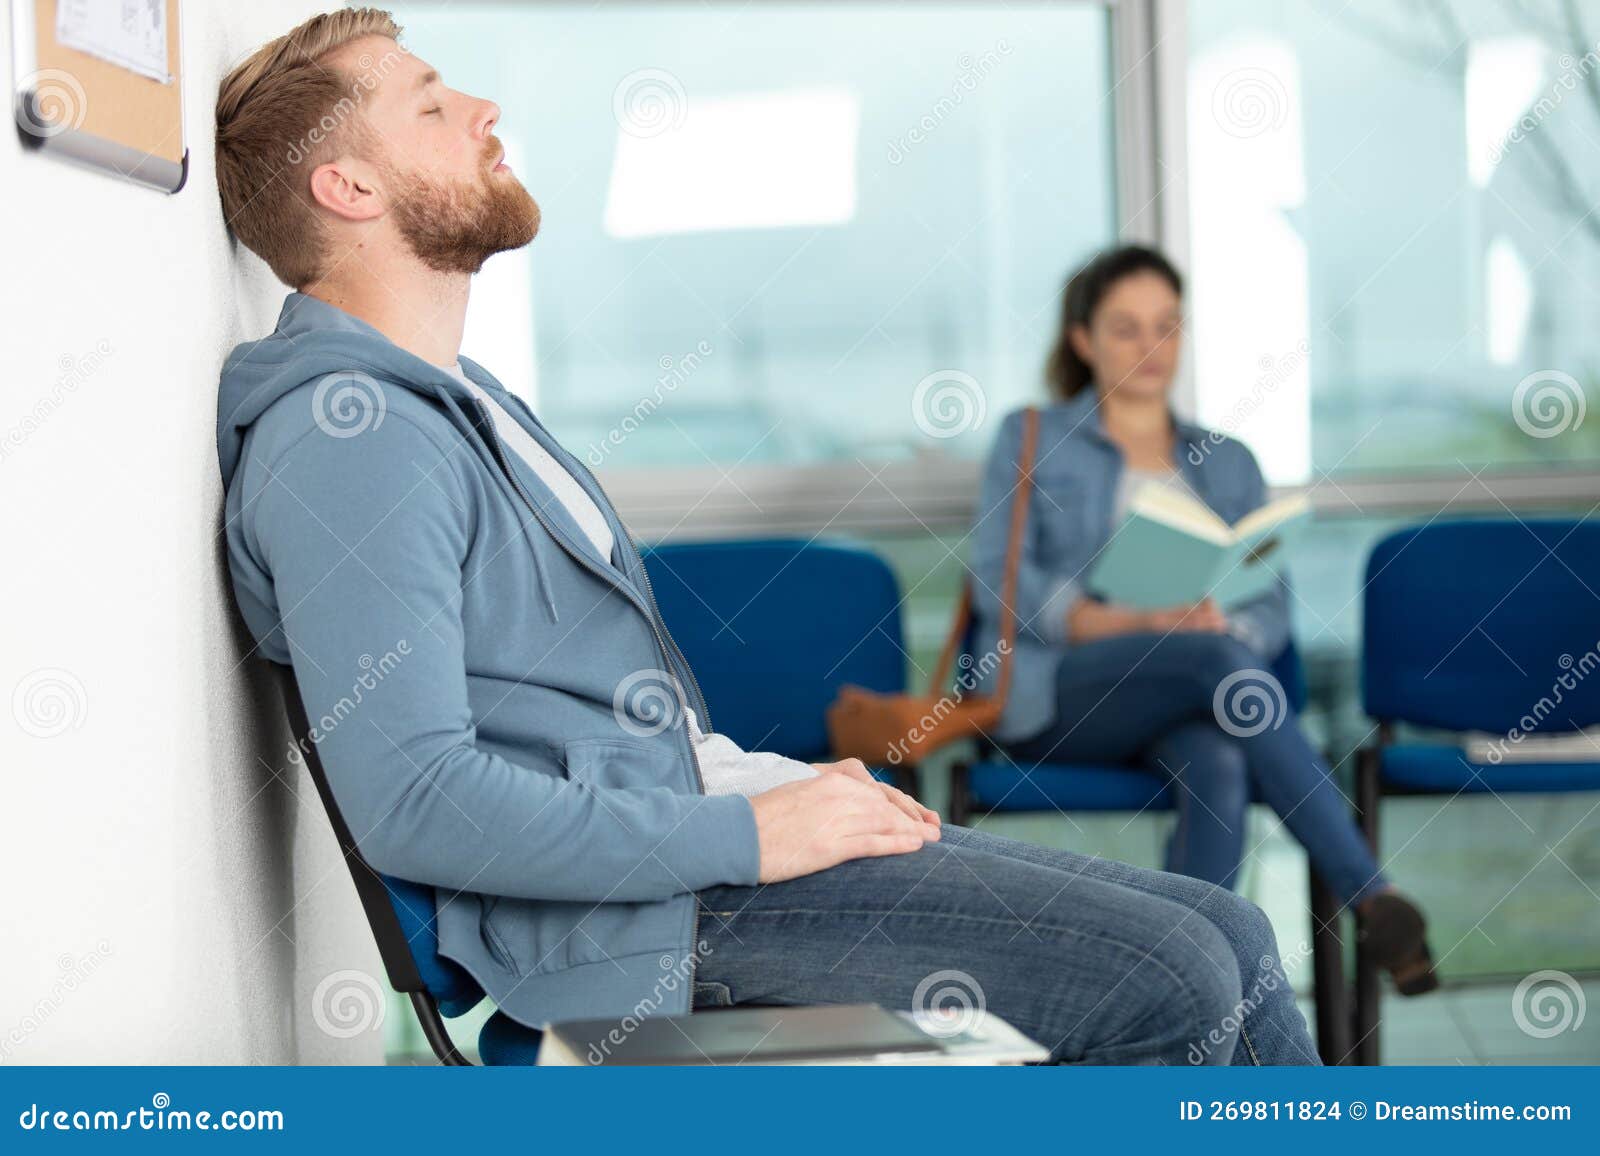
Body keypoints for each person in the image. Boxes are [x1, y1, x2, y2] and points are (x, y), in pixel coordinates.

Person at [213, 8, 1325, 1063]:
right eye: (429, 106)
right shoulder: (349, 436)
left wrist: (778, 793)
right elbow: (417, 802)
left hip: (697, 836)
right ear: (347, 184)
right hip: (636, 922)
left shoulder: (462, 396)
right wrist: (753, 835)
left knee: (1234, 936)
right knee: (1177, 973)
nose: (483, 106)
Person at [967, 245, 1437, 996]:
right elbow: (996, 578)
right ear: (1083, 339)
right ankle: (1370, 894)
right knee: (1215, 663)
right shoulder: (1030, 438)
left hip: (1190, 690)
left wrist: (1223, 625)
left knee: (1217, 755)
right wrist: (1115, 620)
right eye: (1126, 328)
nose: (1151, 349)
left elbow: (1268, 601)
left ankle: (1178, 1003)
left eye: (1167, 326)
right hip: (1064, 692)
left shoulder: (1227, 461)